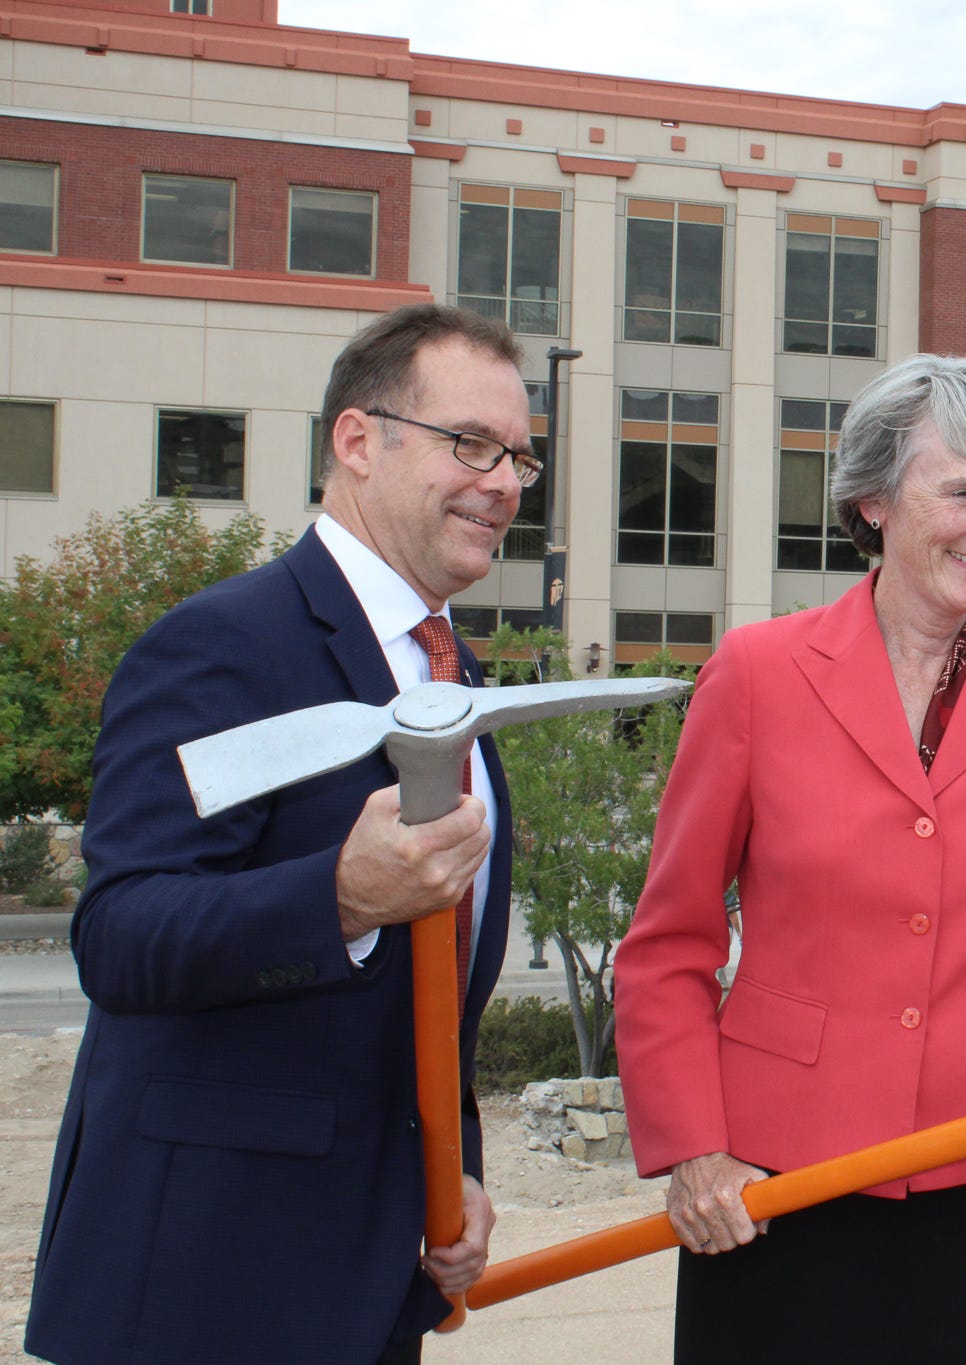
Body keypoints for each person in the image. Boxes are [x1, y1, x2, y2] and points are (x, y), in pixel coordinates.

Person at [26, 304, 532, 1363]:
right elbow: (121, 937)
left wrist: (454, 1166)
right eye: (471, 445)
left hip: (368, 1278)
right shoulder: (222, 645)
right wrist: (340, 897)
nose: (504, 483)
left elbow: (429, 983)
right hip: (205, 1284)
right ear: (357, 441)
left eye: (521, 457)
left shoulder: (451, 672)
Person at [613, 354, 966, 1365]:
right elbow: (668, 939)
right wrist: (694, 1148)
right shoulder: (757, 674)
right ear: (873, 503)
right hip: (771, 1175)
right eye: (964, 492)